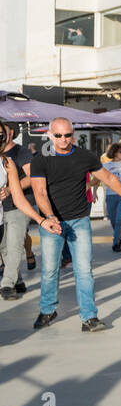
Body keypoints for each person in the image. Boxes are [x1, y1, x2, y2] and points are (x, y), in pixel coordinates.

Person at [29, 117, 121, 331]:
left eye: (67, 135)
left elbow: (110, 179)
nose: (64, 139)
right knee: (50, 269)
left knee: (84, 270)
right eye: (58, 135)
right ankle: (48, 309)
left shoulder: (85, 156)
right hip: (51, 223)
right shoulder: (41, 159)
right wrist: (49, 216)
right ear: (50, 135)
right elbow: (39, 191)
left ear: (73, 135)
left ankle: (89, 317)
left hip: (79, 221)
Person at [1, 121, 37, 299]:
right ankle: (19, 281)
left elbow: (32, 177)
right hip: (2, 208)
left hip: (19, 204)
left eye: (2, 133)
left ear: (10, 133)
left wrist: (10, 189)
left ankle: (7, 284)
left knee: (15, 244)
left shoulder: (20, 152)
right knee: (5, 247)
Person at [99, 143, 121, 252]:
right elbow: (96, 180)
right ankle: (120, 236)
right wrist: (94, 191)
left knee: (119, 220)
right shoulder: (106, 166)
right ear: (114, 153)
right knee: (113, 221)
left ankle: (116, 243)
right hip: (110, 196)